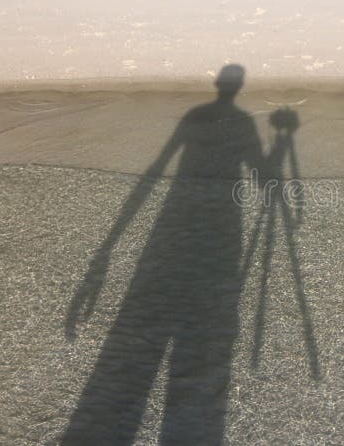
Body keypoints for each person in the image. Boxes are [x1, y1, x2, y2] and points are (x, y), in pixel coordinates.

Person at [62, 64, 263, 445]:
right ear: (236, 87)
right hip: (224, 219)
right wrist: (280, 162)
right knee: (210, 312)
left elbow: (156, 168)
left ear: (219, 84)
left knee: (149, 317)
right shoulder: (242, 119)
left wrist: (111, 242)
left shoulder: (195, 115)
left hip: (176, 216)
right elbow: (258, 170)